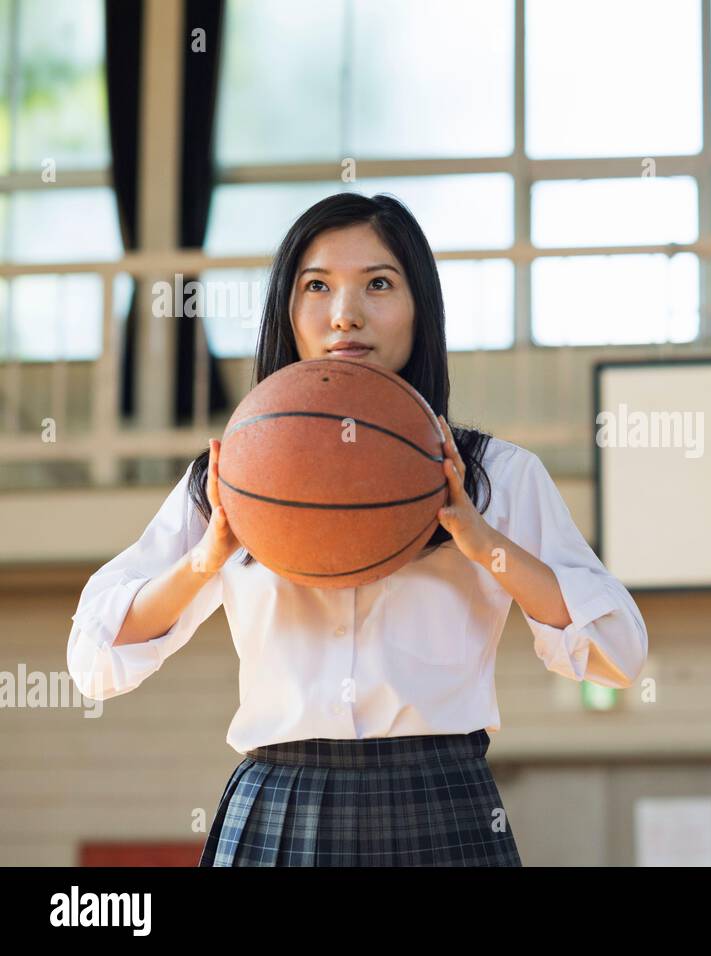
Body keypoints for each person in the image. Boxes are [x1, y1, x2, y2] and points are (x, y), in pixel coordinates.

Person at [66, 192, 649, 866]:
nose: (347, 314)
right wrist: (205, 560)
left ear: (419, 309)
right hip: (281, 795)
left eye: (379, 283)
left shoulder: (498, 475)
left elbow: (618, 653)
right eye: (318, 286)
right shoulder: (228, 474)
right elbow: (94, 658)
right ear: (288, 312)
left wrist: (483, 543)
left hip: (441, 795)